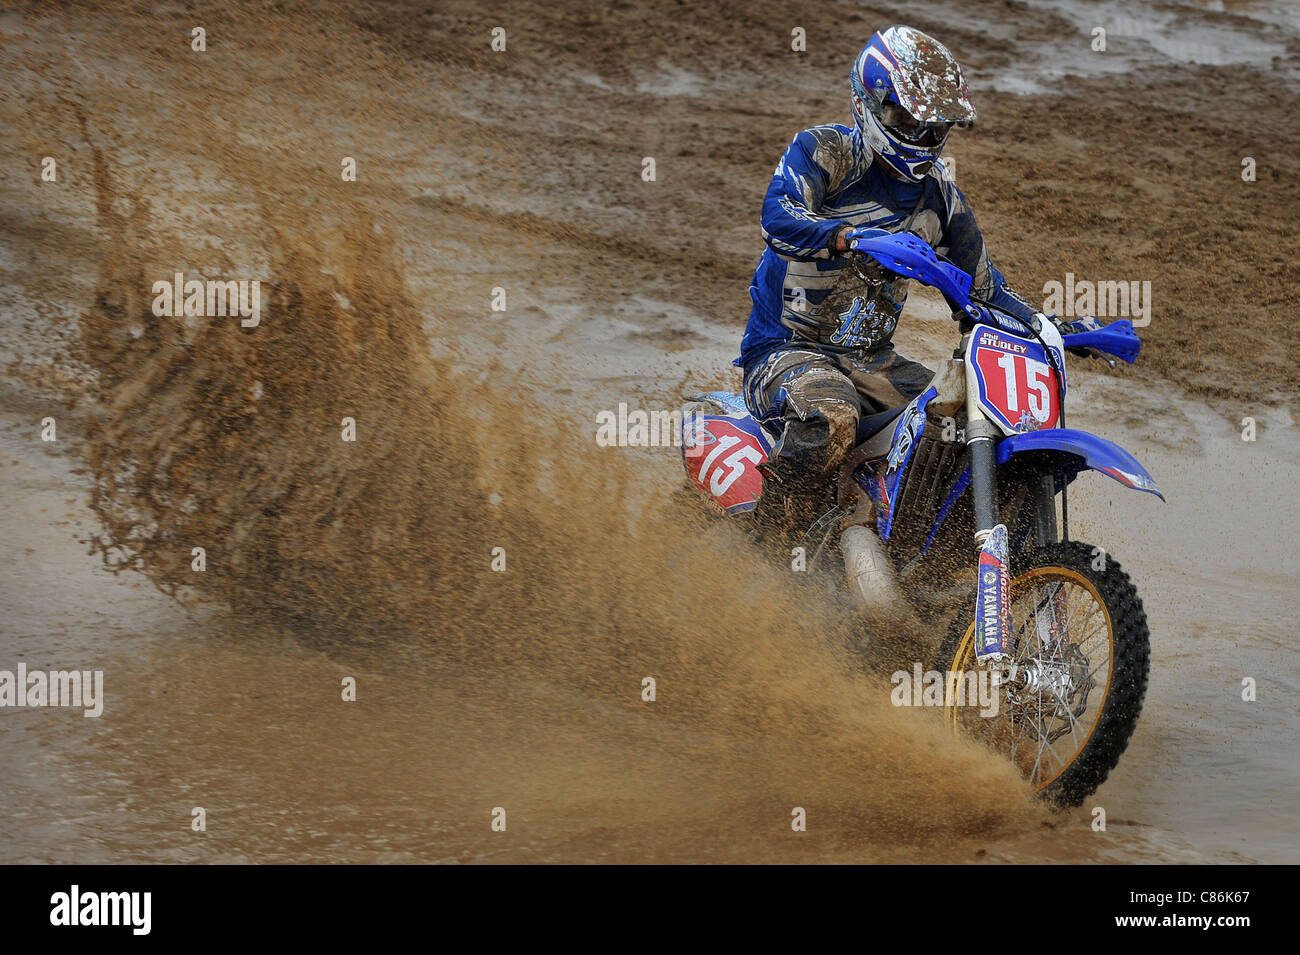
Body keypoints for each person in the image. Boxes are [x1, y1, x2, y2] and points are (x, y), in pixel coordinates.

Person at [737, 25, 1048, 536]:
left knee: (960, 422)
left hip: (874, 364)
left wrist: (1059, 328)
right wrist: (853, 238)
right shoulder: (826, 153)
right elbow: (777, 217)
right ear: (870, 104)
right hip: (786, 352)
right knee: (832, 420)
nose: (923, 139)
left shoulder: (941, 203)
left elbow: (986, 294)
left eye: (935, 128)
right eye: (909, 121)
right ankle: (766, 544)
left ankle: (915, 551)